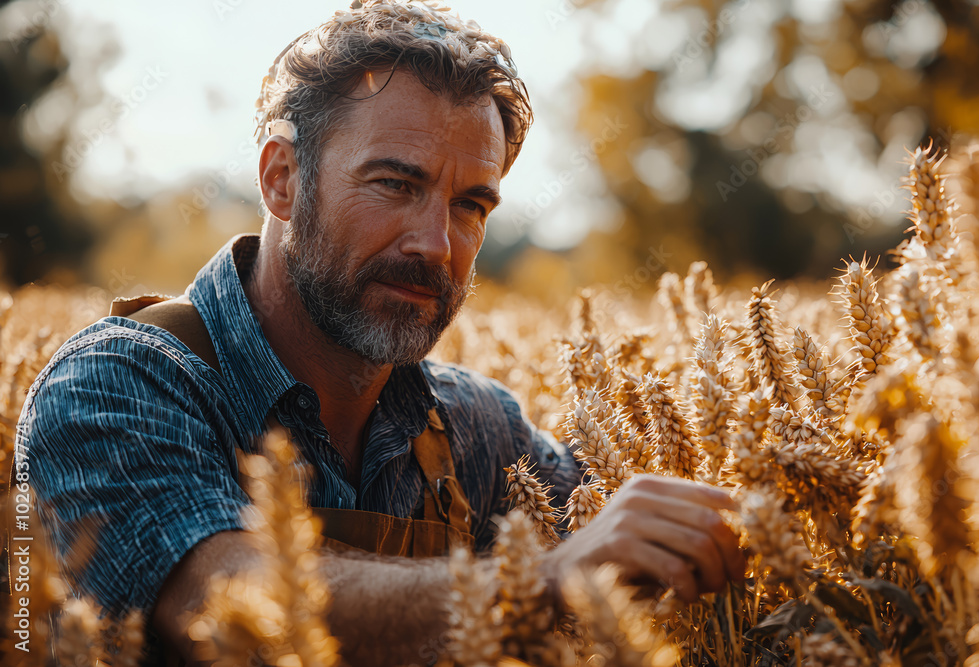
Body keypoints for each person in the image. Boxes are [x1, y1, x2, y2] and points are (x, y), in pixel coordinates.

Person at [12, 1, 744, 664]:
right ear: (281, 179)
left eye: (471, 204)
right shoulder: (114, 385)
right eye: (396, 183)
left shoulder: (479, 432)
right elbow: (222, 595)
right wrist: (543, 580)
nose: (436, 242)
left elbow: (615, 529)